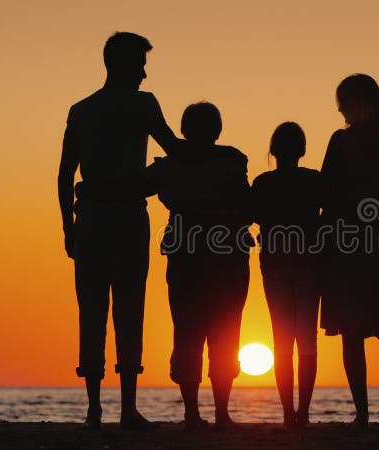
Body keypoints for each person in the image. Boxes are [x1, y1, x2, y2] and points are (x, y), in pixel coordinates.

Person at [57, 31, 184, 430]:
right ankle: (126, 409)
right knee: (130, 309)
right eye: (141, 65)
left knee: (91, 310)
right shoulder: (143, 104)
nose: (145, 74)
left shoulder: (81, 110)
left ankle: (95, 409)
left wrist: (66, 224)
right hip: (128, 216)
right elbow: (174, 150)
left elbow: (65, 173)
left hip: (90, 217)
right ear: (124, 64)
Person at [319, 74, 379, 428]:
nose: (339, 108)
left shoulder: (343, 141)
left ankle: (366, 415)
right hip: (377, 242)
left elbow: (324, 192)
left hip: (350, 244)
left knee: (359, 335)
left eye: (343, 101)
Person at [146, 102, 252, 430]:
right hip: (228, 257)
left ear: (184, 129)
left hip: (186, 255)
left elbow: (134, 186)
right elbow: (248, 208)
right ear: (217, 129)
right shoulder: (232, 161)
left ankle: (192, 414)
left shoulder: (170, 166)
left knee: (188, 332)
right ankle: (220, 413)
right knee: (225, 332)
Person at [251, 122, 322, 428]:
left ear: (273, 150)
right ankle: (303, 412)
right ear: (302, 150)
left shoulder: (263, 182)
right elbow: (328, 213)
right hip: (309, 263)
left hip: (275, 265)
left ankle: (288, 413)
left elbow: (251, 215)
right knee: (306, 338)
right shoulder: (314, 180)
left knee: (281, 339)